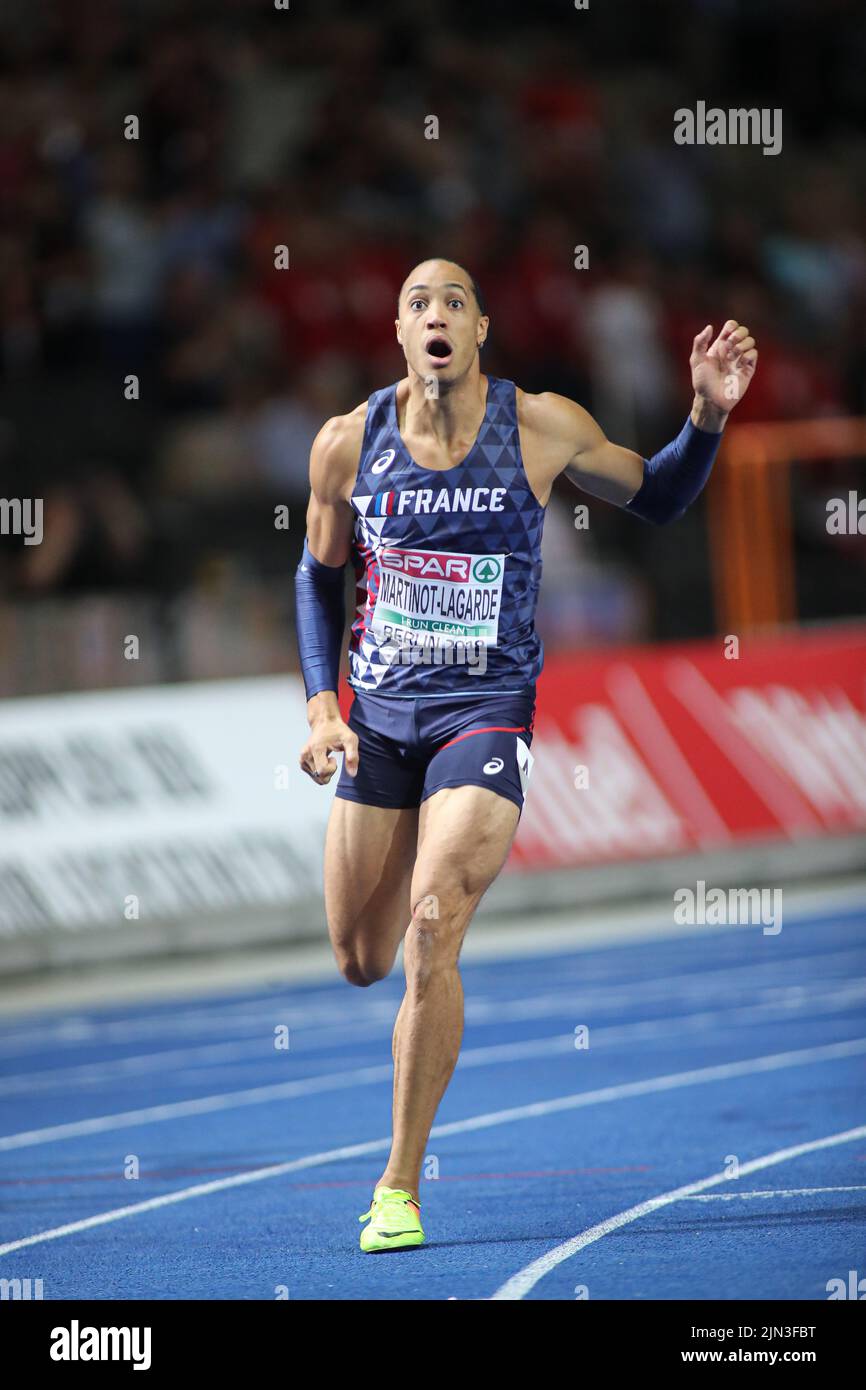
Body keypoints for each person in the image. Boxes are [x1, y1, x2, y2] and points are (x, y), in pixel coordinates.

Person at [294, 258, 758, 1251]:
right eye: (417, 302)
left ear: (479, 331)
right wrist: (323, 707)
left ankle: (398, 1186)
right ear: (398, 333)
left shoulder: (541, 425)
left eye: (453, 301)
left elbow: (656, 496)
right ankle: (407, 836)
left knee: (430, 928)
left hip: (485, 712)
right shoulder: (346, 443)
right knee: (359, 958)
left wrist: (706, 415)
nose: (435, 314)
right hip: (379, 721)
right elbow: (316, 575)